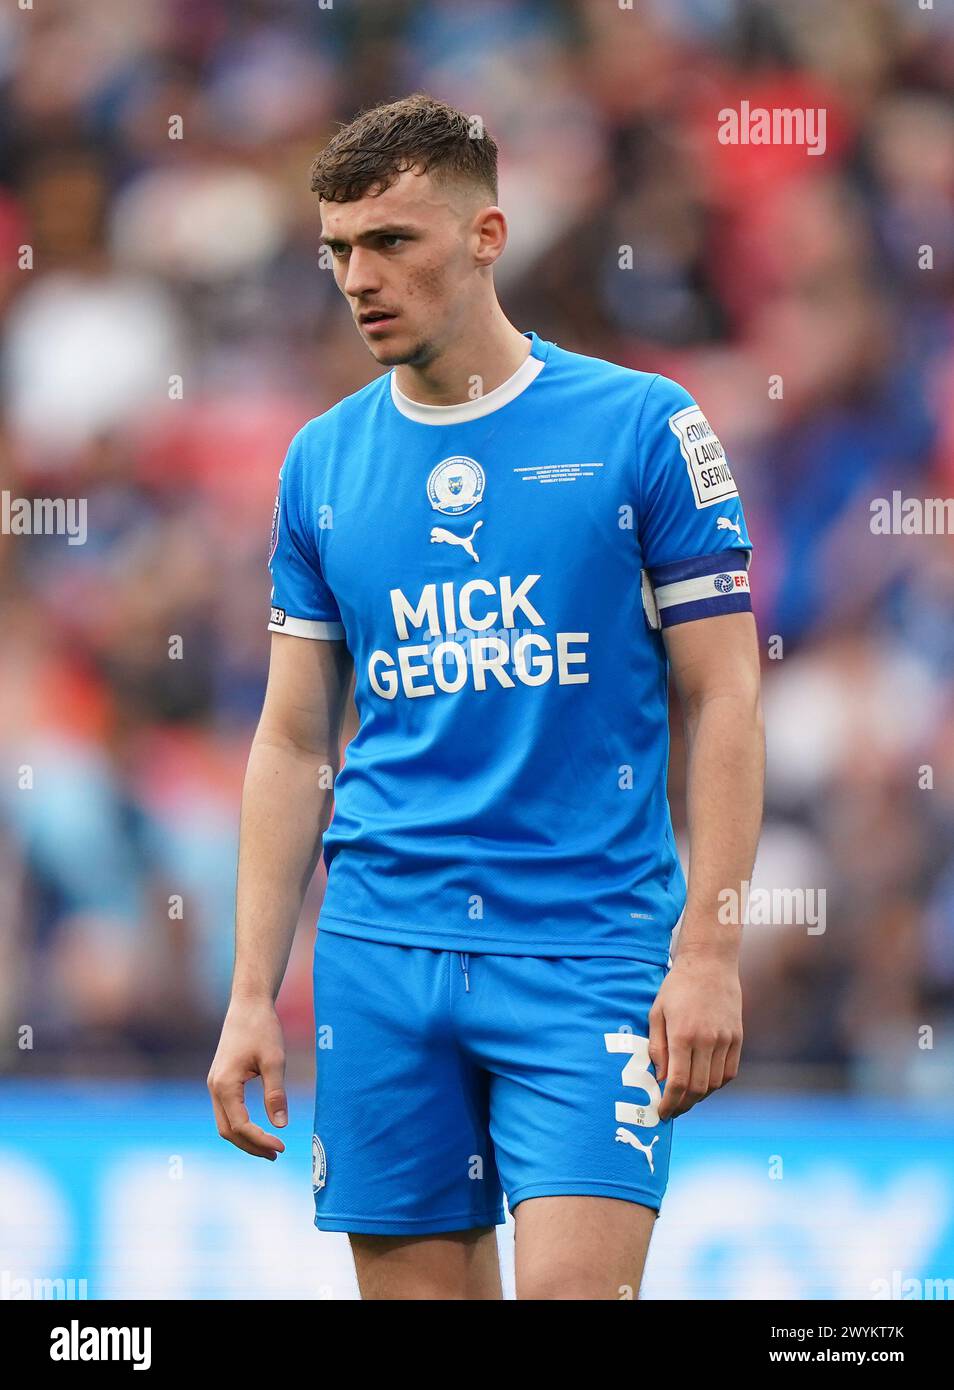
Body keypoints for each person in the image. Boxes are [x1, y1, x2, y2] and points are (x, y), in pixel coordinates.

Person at [207, 92, 765, 1301]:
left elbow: (724, 699)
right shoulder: (321, 462)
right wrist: (251, 991)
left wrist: (710, 944)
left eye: (391, 241)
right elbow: (294, 736)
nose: (358, 275)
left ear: (487, 235)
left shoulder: (644, 429)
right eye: (338, 249)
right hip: (378, 953)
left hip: (587, 950)